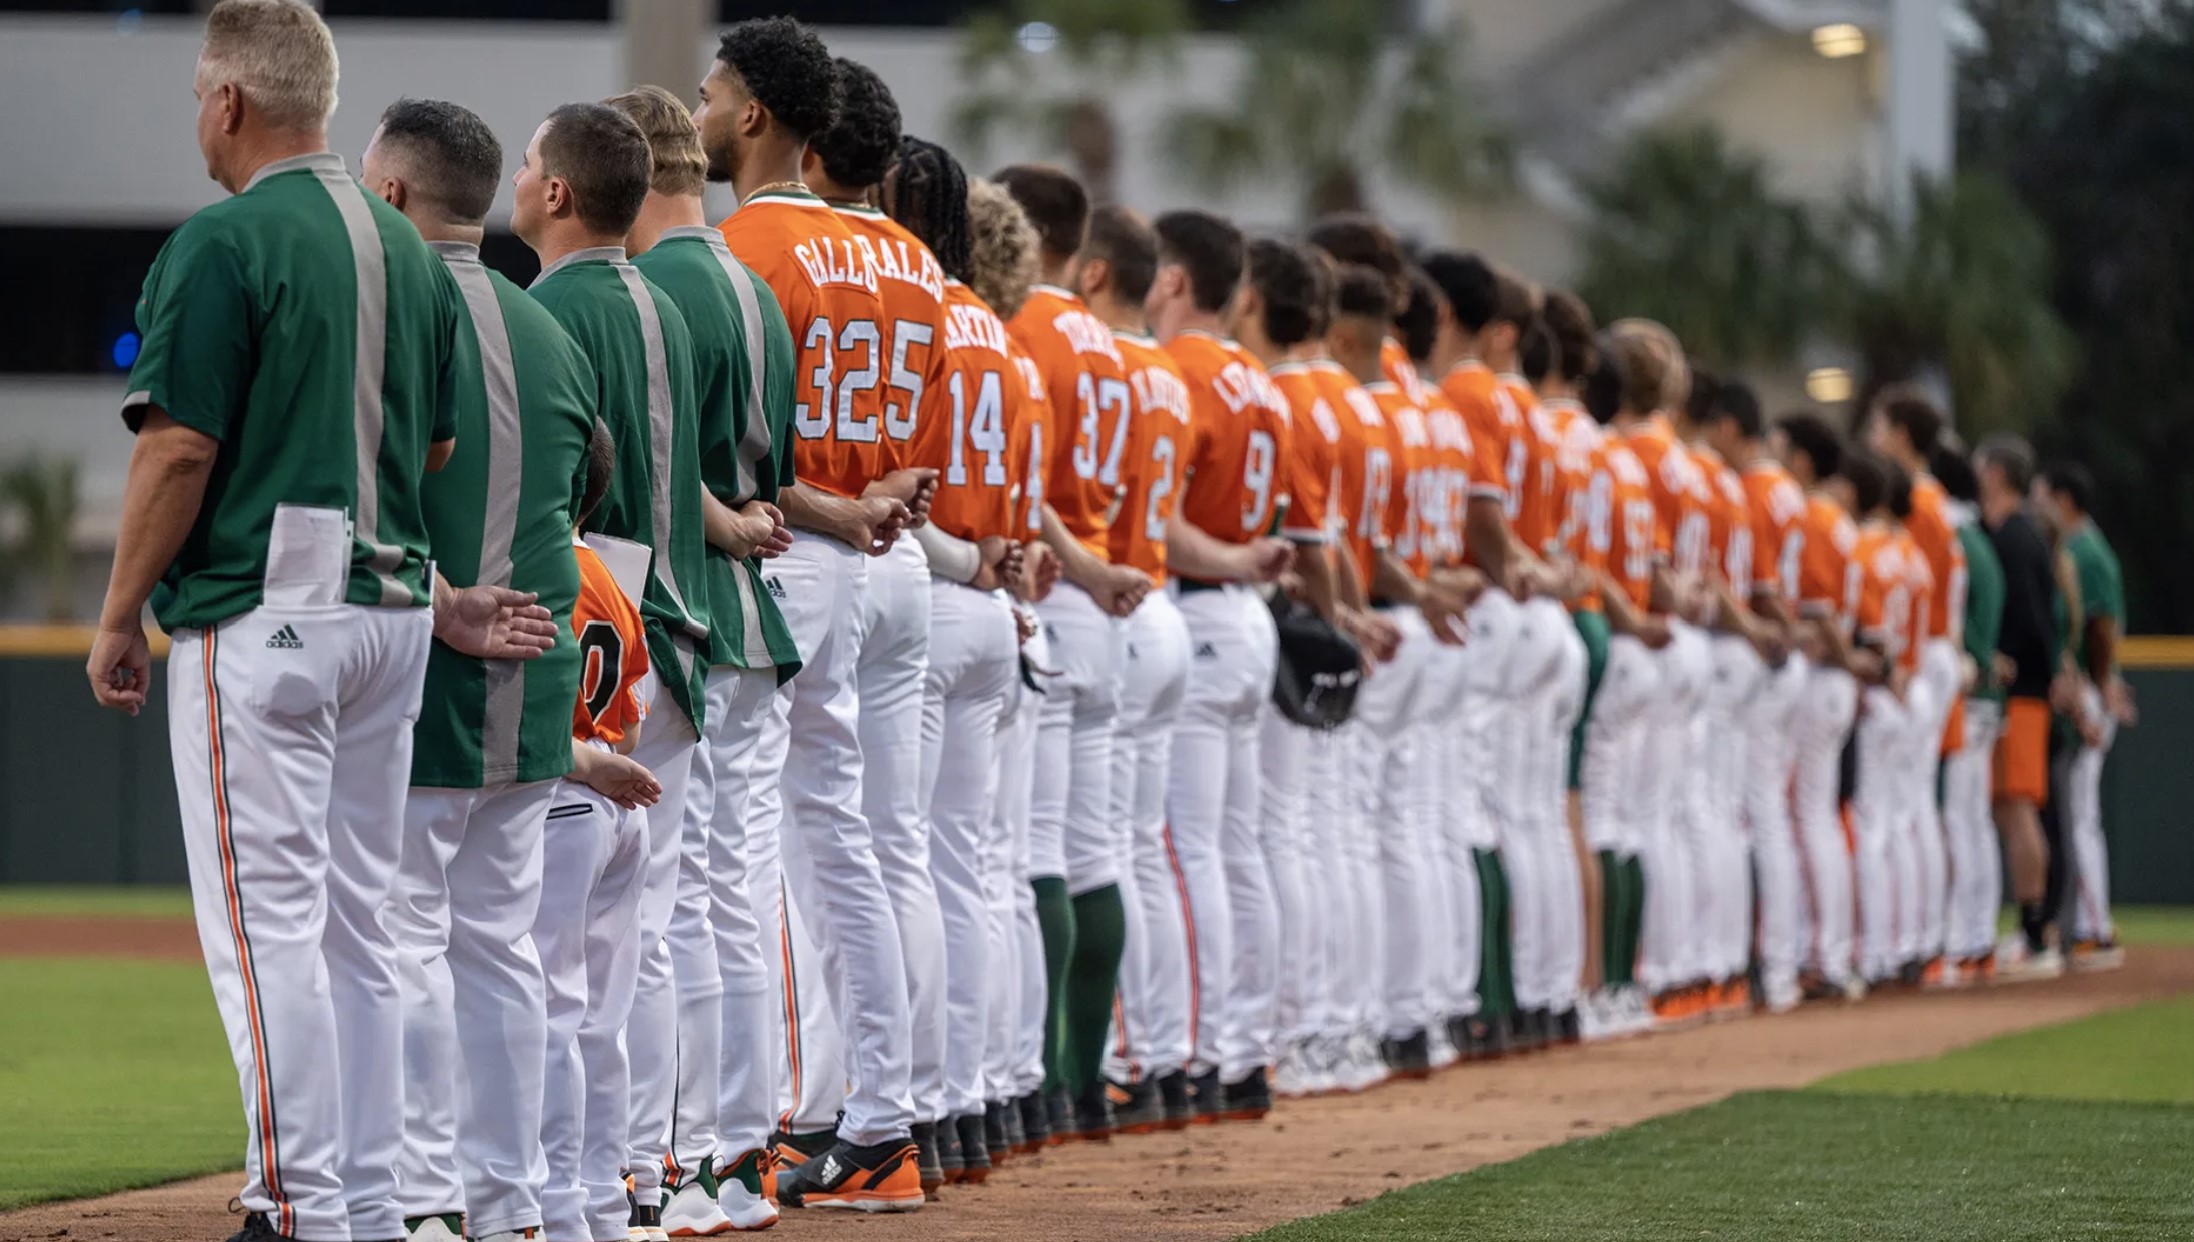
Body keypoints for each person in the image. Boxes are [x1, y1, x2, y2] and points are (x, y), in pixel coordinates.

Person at [87, 7, 556, 1241]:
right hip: (394, 617)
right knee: (362, 927)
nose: (198, 114)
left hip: (266, 615)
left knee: (268, 929)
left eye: (201, 93)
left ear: (233, 102)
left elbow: (180, 447)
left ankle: (295, 1204)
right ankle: (366, 1200)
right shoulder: (410, 250)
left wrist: (120, 611)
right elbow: (438, 443)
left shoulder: (228, 238)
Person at [697, 18, 929, 1211]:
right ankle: (878, 1120)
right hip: (874, 556)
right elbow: (917, 455)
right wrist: (869, 499)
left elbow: (725, 445)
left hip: (786, 550)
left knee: (746, 845)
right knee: (851, 844)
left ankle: (774, 1123)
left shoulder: (741, 242)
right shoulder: (907, 257)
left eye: (711, 89)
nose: (697, 104)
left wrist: (834, 508)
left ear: (751, 116)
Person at [361, 96, 596, 1242]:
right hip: (544, 658)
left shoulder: (384, 303)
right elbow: (589, 487)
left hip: (427, 661)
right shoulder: (549, 321)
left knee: (402, 934)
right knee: (500, 951)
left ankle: (421, 1199)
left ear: (397, 194)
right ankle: (507, 1205)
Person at [514, 100, 717, 1242]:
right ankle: (642, 1173)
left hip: (594, 621)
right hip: (671, 627)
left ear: (552, 192)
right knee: (645, 931)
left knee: (558, 953)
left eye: (529, 160)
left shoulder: (553, 306)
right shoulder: (667, 300)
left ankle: (577, 1186)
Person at [605, 82, 800, 1234]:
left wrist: (714, 519)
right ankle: (734, 1158)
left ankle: (666, 1166)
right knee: (734, 900)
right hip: (750, 616)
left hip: (683, 610)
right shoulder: (745, 281)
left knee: (663, 906)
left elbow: (646, 477)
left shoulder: (659, 282)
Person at [794, 60, 962, 1193]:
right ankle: (920, 1106)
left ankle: (808, 1115)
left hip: (810, 546)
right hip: (907, 560)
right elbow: (930, 460)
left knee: (788, 850)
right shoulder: (926, 271)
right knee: (903, 851)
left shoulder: (766, 248)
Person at [888, 139, 1042, 1176]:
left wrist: (967, 560)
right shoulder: (1003, 333)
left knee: (901, 864)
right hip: (997, 615)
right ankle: (982, 1099)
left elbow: (913, 502)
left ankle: (930, 1105)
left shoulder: (922, 313)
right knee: (978, 871)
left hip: (940, 594)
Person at [993, 162, 1152, 1140]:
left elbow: (1019, 478)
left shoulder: (1028, 331)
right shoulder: (1118, 347)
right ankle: (1084, 1079)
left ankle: (1046, 1077)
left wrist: (1072, 563)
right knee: (1097, 850)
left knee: (1033, 851)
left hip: (1057, 586)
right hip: (1114, 597)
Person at [1151, 210, 1297, 1117]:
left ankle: (1199, 1052)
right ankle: (1244, 1049)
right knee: (1239, 847)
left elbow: (1164, 519)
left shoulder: (1180, 372)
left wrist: (1234, 559)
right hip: (1244, 617)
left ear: (1172, 278)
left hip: (1205, 600)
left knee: (1188, 847)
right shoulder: (1262, 380)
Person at [1069, 203, 1198, 1129]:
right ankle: (1157, 1057)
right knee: (1145, 854)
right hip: (1156, 599)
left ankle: (1100, 1064)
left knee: (1081, 854)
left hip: (1092, 596)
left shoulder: (1073, 345)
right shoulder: (1165, 372)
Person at [532, 423, 663, 1242]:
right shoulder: (611, 579)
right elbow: (640, 716)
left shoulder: (540, 571)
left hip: (567, 801)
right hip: (623, 810)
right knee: (601, 1024)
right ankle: (603, 1205)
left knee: (548, 1011)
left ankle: (553, 1207)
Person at [1702, 379, 1811, 1012]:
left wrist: (1776, 631)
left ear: (1728, 426)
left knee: (1745, 810)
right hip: (1777, 650)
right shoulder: (1787, 491)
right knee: (1767, 812)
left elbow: (1762, 587)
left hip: (1757, 647)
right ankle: (1780, 963)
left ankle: (1766, 965)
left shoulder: (1753, 489)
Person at [1865, 388, 1966, 980]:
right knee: (1917, 806)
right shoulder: (1939, 502)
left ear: (1902, 434)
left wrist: (1907, 661)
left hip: (1916, 655)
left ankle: (1897, 944)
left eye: (1881, 427)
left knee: (1896, 808)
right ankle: (1921, 937)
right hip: (1933, 652)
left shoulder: (1918, 506)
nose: (1874, 438)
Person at [1774, 411, 1864, 998]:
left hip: (1822, 673)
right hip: (1837, 678)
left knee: (1804, 816)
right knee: (1819, 817)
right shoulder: (1843, 521)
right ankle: (1829, 953)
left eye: (1783, 449)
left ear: (1803, 459)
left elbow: (1822, 611)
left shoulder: (1813, 514)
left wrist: (1841, 653)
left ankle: (1819, 955)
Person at [1975, 433, 2065, 980]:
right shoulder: (2019, 534)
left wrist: (2007, 659)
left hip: (2023, 691)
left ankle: (2036, 931)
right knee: (2013, 807)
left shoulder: (2016, 536)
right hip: (2028, 688)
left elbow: (2033, 621)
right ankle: (2035, 928)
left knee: (2017, 806)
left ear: (1997, 475)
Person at [2036, 462, 2131, 967]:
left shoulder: (2083, 551)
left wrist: (2100, 686)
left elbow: (2098, 627)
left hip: (2086, 689)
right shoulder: (2086, 547)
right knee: (2078, 819)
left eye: (2043, 493)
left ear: (2064, 499)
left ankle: (2095, 927)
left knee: (2081, 820)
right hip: (2092, 685)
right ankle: (2084, 924)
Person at [1932, 444, 2008, 982]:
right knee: (1974, 820)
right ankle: (1977, 935)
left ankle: (1961, 937)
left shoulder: (1955, 537)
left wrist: (1979, 660)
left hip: (1968, 686)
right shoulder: (1979, 538)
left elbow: (1967, 630)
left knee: (1958, 819)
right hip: (1986, 695)